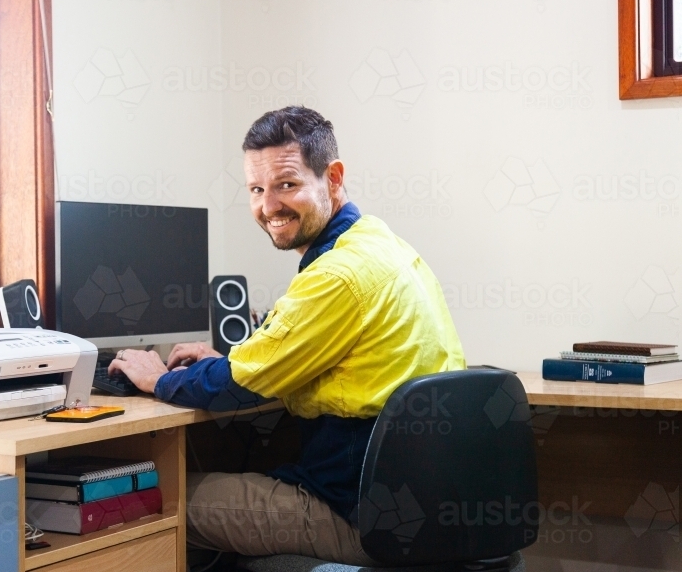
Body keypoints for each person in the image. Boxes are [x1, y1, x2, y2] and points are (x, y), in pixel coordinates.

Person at [109, 106, 466, 566]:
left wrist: (158, 379)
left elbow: (237, 384)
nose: (268, 206)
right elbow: (304, 360)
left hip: (357, 520)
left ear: (333, 178)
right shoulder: (384, 245)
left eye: (287, 185)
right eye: (257, 189)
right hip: (419, 514)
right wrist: (232, 358)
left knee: (171, 496)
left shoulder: (336, 275)